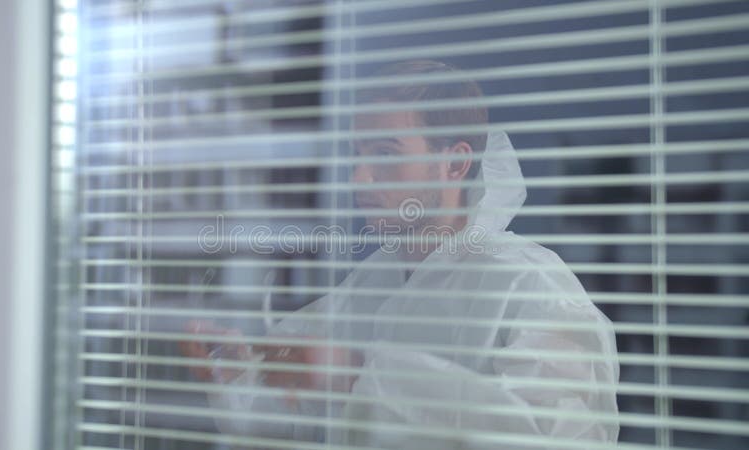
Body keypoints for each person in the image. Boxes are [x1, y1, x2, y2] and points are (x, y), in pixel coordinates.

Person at [180, 60, 619, 449]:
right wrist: (242, 372)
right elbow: (293, 413)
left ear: (454, 164)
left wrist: (363, 376)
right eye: (357, 154)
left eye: (385, 153)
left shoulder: (529, 285)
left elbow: (559, 438)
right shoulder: (369, 286)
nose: (359, 178)